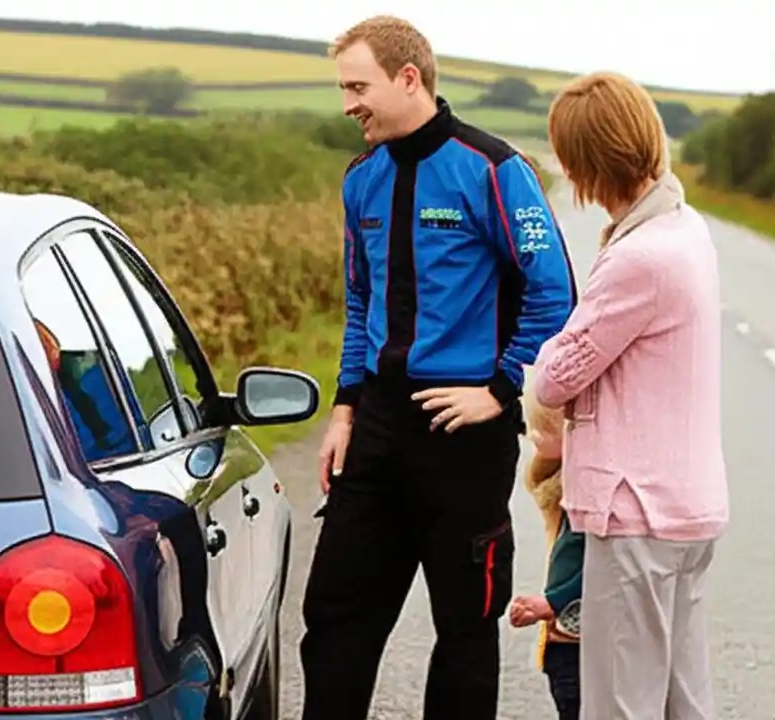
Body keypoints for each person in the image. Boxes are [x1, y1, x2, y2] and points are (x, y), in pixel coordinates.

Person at [299, 15, 577, 720]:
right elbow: (359, 301)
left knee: (464, 629)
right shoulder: (361, 179)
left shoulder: (492, 168)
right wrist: (344, 409)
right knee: (335, 619)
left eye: (358, 86)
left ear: (408, 78)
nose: (347, 104)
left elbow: (554, 293)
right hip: (379, 431)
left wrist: (500, 387)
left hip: (464, 436)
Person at [531, 71, 729, 720]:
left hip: (634, 512)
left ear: (584, 162)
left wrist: (549, 354)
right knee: (681, 702)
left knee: (619, 706)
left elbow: (557, 376)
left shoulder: (638, 258)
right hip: (686, 508)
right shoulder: (686, 228)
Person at [509, 374, 582, 719]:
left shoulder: (587, 500)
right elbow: (540, 486)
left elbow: (598, 565)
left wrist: (551, 602)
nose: (533, 438)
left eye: (542, 431)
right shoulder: (564, 486)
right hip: (565, 637)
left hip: (579, 642)